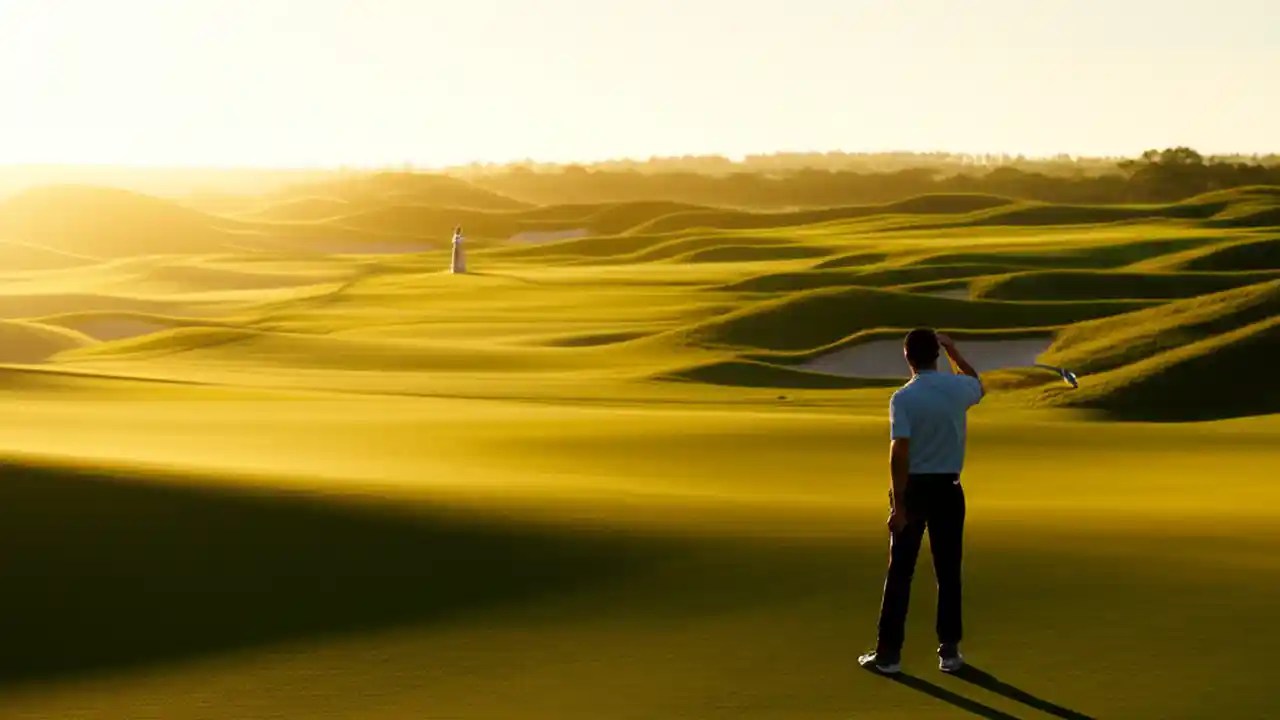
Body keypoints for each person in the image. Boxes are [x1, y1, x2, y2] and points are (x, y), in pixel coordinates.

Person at [858, 329, 983, 675]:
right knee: (948, 572)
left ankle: (889, 655)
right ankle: (950, 653)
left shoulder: (903, 398)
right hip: (949, 489)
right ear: (937, 354)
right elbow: (976, 382)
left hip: (914, 490)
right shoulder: (958, 388)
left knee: (901, 572)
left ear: (907, 357)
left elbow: (899, 451)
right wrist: (954, 350)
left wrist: (898, 506)